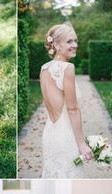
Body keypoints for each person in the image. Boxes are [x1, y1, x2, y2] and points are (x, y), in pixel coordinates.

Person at [40, 22, 93, 178]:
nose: (75, 45)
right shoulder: (67, 68)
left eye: (75, 41)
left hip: (50, 135)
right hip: (65, 137)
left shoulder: (44, 68)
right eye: (69, 41)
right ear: (56, 44)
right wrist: (82, 143)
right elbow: (72, 109)